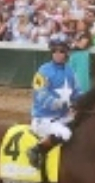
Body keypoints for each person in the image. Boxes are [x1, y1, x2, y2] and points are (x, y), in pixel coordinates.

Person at [27, 36, 80, 173]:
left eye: (61, 51)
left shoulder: (70, 71)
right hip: (43, 119)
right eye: (54, 51)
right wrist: (58, 103)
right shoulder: (43, 71)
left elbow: (77, 92)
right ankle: (36, 150)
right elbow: (40, 94)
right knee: (66, 134)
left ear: (67, 53)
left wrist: (82, 102)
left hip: (64, 118)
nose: (57, 54)